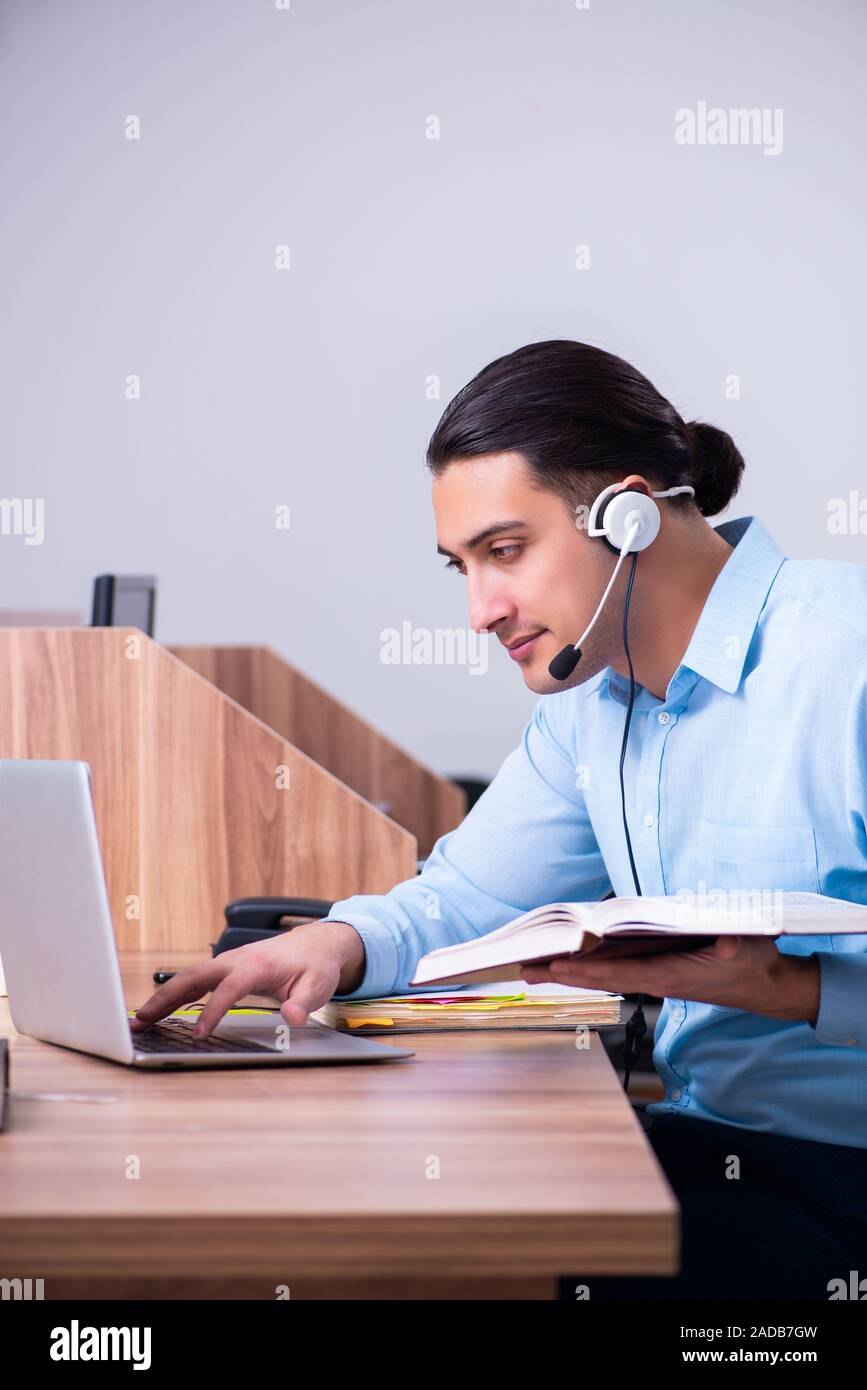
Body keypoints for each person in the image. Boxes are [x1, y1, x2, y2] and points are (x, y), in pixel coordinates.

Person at [132, 339, 867, 1298]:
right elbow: (467, 896)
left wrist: (797, 989)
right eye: (461, 567)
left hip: (837, 1177)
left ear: (631, 516)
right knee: (372, 1232)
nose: (481, 609)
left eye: (504, 552)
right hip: (700, 1151)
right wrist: (335, 942)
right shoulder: (588, 703)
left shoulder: (844, 654)